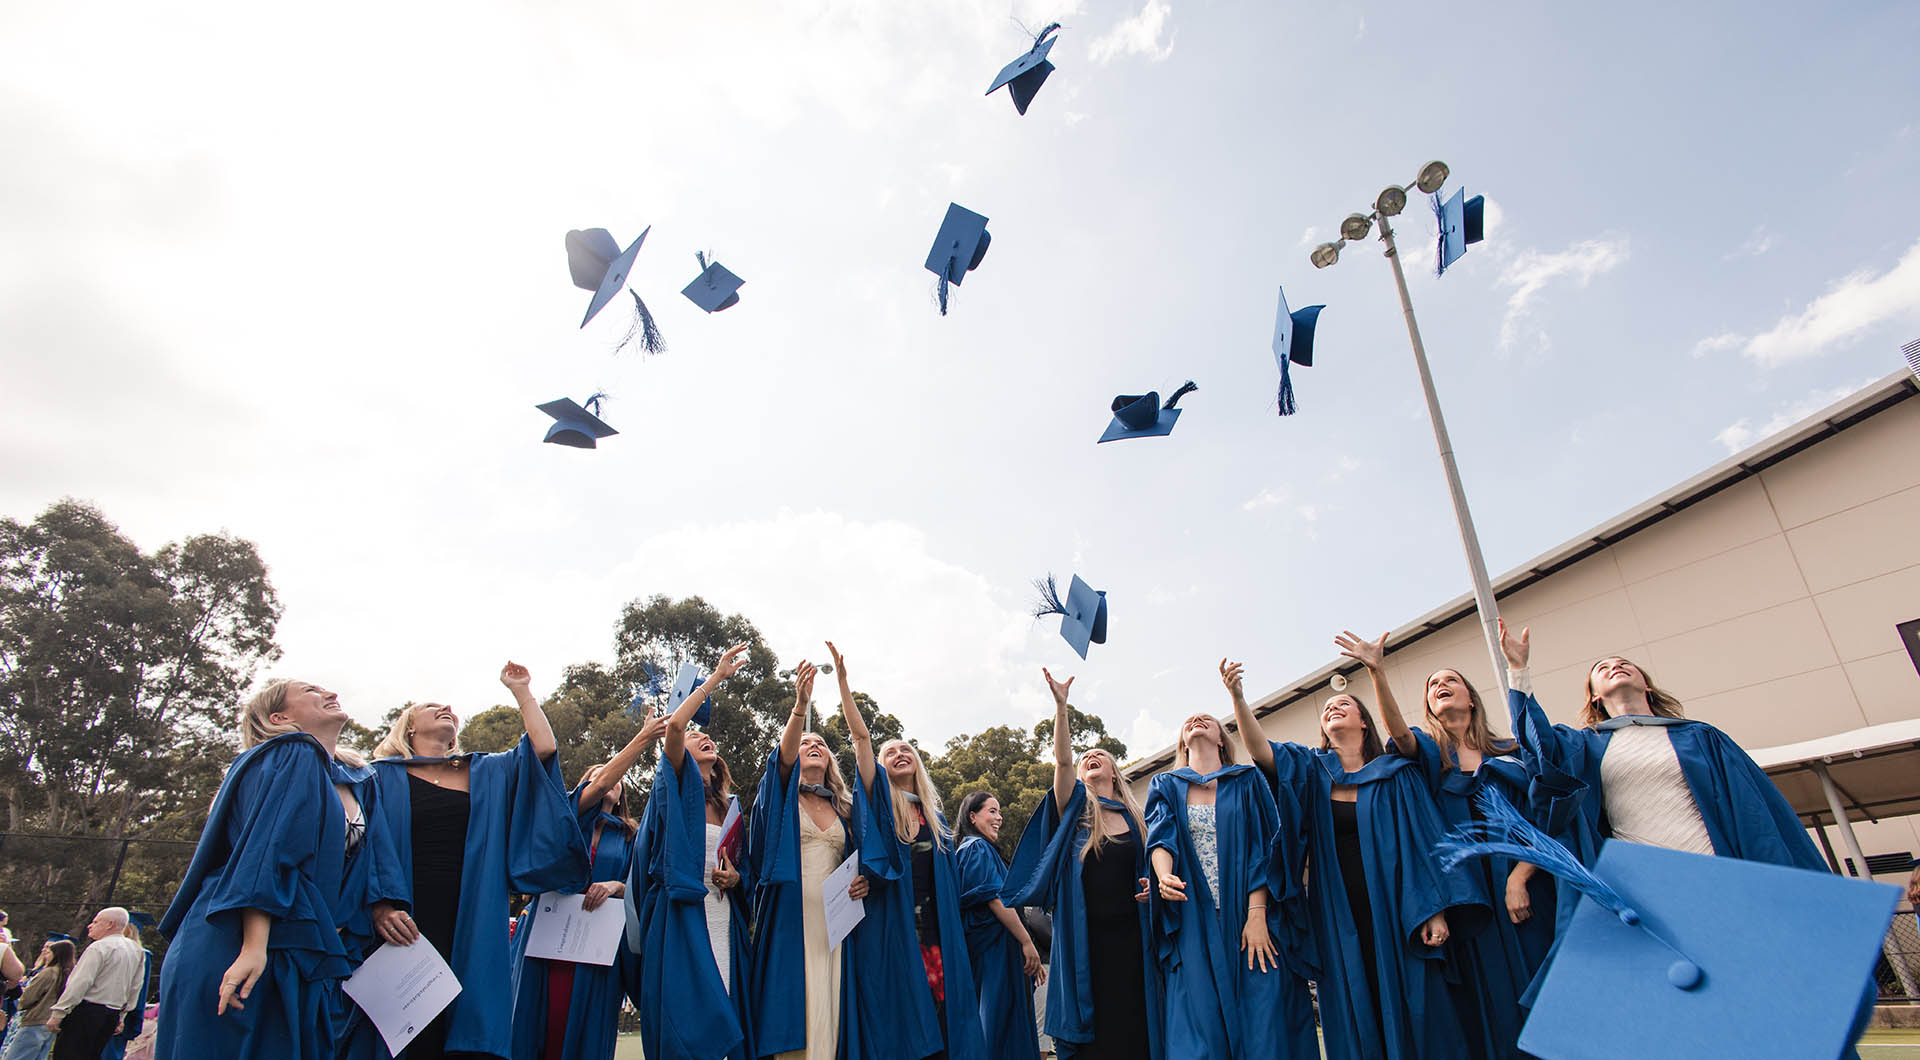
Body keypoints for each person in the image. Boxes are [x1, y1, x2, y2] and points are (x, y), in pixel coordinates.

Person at [1223, 659, 1487, 1060]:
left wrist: (1434, 909)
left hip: (1399, 904)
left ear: (1365, 722)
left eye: (1344, 704)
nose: (1332, 708)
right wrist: (1238, 698)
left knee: (1415, 1000)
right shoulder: (1313, 770)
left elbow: (1424, 841)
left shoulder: (1396, 773)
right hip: (1338, 909)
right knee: (1353, 999)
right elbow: (1262, 752)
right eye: (1327, 708)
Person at [1498, 620, 1829, 916]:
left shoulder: (1700, 738)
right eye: (1603, 668)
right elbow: (1539, 746)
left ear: (1648, 685)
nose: (1615, 666)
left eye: (1624, 663)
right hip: (1645, 879)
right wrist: (1518, 671)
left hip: (1713, 862)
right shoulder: (1587, 745)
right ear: (1595, 697)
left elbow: (1752, 810)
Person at [343, 663, 588, 1060]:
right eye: (431, 706)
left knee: (466, 1019)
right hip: (406, 913)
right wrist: (379, 906)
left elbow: (542, 750)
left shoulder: (486, 771)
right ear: (408, 727)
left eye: (449, 707)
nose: (447, 708)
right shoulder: (379, 777)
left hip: (473, 909)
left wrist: (522, 691)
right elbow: (365, 849)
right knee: (404, 1028)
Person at [1337, 630, 1550, 1060]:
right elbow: (1398, 730)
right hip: (1468, 900)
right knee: (1486, 1000)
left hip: (1527, 885)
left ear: (1471, 698)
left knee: (1545, 987)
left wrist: (1520, 877)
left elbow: (1545, 817)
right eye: (1432, 686)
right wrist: (1376, 671)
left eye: (1450, 680)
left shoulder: (1512, 753)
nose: (1440, 686)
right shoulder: (1431, 760)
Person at [155, 680, 379, 1060]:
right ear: (280, 718)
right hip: (248, 940)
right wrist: (253, 948)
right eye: (311, 691)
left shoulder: (324, 772)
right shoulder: (296, 752)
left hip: (255, 934)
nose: (329, 692)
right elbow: (267, 855)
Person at [832, 642, 987, 1060]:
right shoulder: (881, 806)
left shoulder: (935, 820)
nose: (900, 754)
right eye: (890, 752)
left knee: (941, 1026)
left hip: (938, 938)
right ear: (880, 767)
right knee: (900, 1029)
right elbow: (862, 738)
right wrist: (845, 686)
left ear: (917, 763)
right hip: (893, 932)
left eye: (907, 750)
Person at [1145, 700, 1316, 1060]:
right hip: (1193, 920)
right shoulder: (1166, 784)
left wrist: (1257, 915)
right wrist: (1163, 876)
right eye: (1189, 719)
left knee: (1262, 1017)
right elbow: (1160, 838)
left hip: (1248, 914)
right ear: (1182, 742)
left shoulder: (1247, 780)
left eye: (1207, 718)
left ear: (1221, 738)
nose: (1196, 718)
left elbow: (1262, 849)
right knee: (1197, 1024)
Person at [1004, 669, 1159, 1060]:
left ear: (1113, 772)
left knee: (1134, 1026)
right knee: (1094, 1036)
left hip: (1132, 939)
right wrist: (1061, 708)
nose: (1091, 758)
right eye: (1086, 756)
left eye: (1100, 756)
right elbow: (1062, 763)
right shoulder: (1072, 812)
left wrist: (1150, 887)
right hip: (1084, 939)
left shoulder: (1136, 818)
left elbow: (1150, 868)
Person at [509, 709, 666, 1060]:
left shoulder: (630, 837)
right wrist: (643, 738)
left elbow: (641, 884)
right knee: (537, 1016)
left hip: (598, 940)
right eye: (598, 775)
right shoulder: (568, 817)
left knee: (587, 1021)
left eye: (614, 778)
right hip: (550, 933)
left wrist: (614, 885)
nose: (607, 780)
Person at [628, 644, 756, 1060]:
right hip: (682, 912)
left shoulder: (729, 806)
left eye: (708, 736)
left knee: (729, 1002)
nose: (703, 736)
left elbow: (744, 869)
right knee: (690, 1016)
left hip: (722, 913)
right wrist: (715, 679)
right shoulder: (676, 784)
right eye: (695, 735)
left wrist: (736, 878)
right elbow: (676, 728)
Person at [744, 657, 872, 1060]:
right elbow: (780, 765)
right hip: (789, 916)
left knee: (833, 1005)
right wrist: (800, 706)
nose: (814, 745)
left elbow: (860, 859)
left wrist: (864, 880)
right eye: (805, 744)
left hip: (837, 921)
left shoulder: (846, 810)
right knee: (793, 1002)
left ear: (830, 761)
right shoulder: (781, 799)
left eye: (821, 745)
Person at [950, 792, 1043, 1060]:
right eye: (992, 811)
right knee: (996, 1021)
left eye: (999, 811)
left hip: (995, 951)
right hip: (994, 952)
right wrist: (1027, 942)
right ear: (972, 816)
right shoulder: (976, 848)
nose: (999, 817)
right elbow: (994, 898)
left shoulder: (972, 850)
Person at [47, 909, 146, 1060]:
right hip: (111, 1014)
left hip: (87, 1012)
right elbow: (135, 987)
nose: (90, 926)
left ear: (110, 924)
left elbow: (80, 982)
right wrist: (122, 1016)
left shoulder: (99, 947)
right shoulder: (136, 950)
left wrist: (59, 1012)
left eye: (95, 922)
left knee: (68, 1054)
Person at [0, 940, 75, 1060]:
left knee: (18, 1056)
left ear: (56, 954)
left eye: (49, 952)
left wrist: (21, 1003)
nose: (46, 955)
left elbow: (28, 998)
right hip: (52, 1020)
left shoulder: (48, 973)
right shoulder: (68, 974)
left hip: (35, 1019)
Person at [99, 922, 152, 1060]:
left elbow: (139, 990)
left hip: (120, 1014)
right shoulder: (104, 950)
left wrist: (132, 1018)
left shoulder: (141, 955)